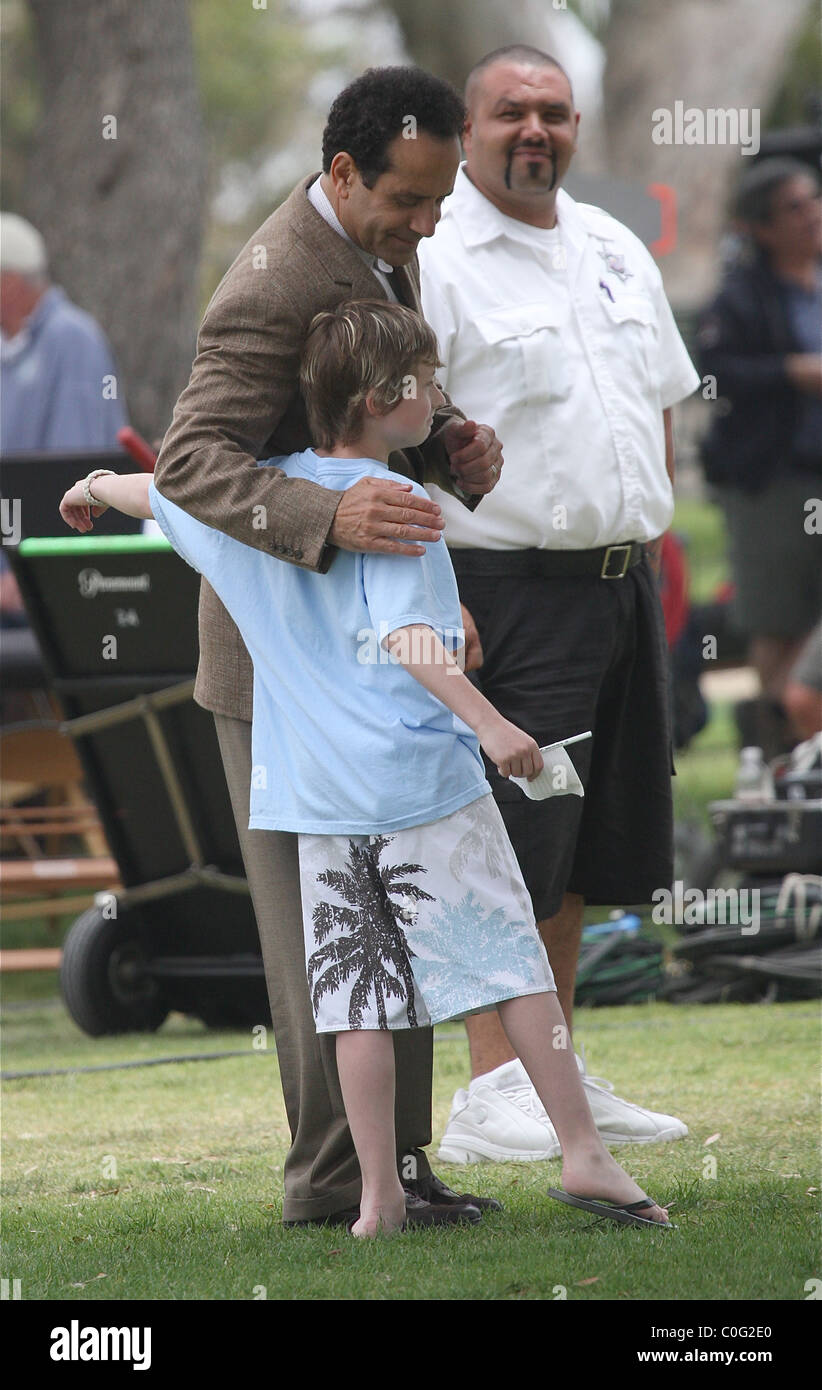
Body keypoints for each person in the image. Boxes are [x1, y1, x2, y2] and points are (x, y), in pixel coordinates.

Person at [60, 299, 672, 1234]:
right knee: (515, 968)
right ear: (385, 400)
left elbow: (166, 496)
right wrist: (494, 725)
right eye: (428, 385)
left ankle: (377, 1197)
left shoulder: (258, 504)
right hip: (419, 783)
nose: (438, 399)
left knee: (358, 998)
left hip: (314, 796)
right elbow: (409, 638)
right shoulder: (397, 508)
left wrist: (99, 485)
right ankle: (585, 1156)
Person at [150, 68, 505, 1228]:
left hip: (372, 657)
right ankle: (332, 1182)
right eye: (409, 201)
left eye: (441, 201)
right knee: (329, 936)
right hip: (283, 670)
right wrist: (332, 515)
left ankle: (397, 1170)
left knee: (393, 907)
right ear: (343, 172)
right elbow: (188, 464)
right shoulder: (273, 282)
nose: (428, 225)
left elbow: (353, 408)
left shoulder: (375, 242)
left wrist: (446, 445)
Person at [417, 45, 698, 1163]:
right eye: (510, 113)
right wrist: (435, 592)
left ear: (577, 127)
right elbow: (395, 439)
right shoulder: (435, 255)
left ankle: (554, 1070)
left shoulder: (614, 246)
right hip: (504, 587)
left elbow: (659, 402)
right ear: (468, 129)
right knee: (511, 837)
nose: (535, 130)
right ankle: (492, 1090)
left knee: (580, 846)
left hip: (616, 586)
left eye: (555, 112)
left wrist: (652, 551)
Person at [696, 158, 822, 758]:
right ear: (763, 227)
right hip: (773, 482)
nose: (812, 214)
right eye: (795, 207)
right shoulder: (740, 297)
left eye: (814, 200)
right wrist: (793, 372)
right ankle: (779, 761)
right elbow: (714, 373)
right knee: (779, 620)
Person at [0, 212, 127, 629]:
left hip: (52, 586)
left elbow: (72, 479)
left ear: (9, 283)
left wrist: (21, 573)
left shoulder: (73, 340)